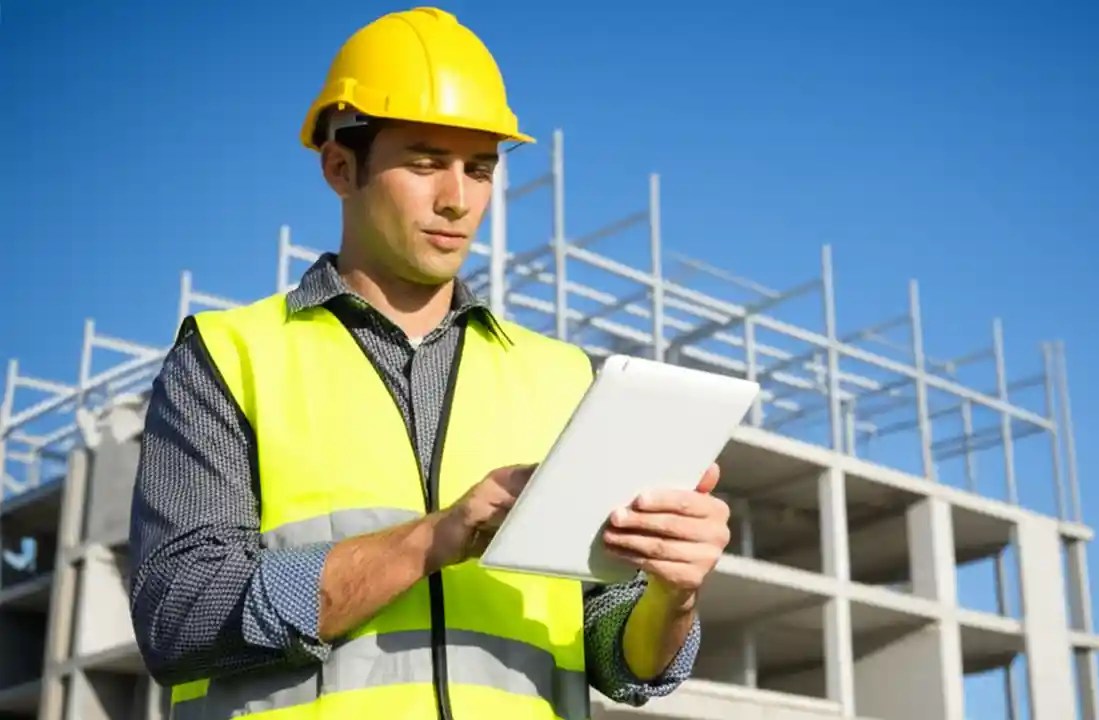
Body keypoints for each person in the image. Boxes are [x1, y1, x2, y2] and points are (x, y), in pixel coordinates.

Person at [126, 7, 733, 720]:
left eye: (478, 169)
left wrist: (673, 594)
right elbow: (180, 617)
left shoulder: (562, 376)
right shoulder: (229, 358)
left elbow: (612, 654)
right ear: (339, 166)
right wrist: (432, 539)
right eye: (424, 162)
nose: (457, 199)